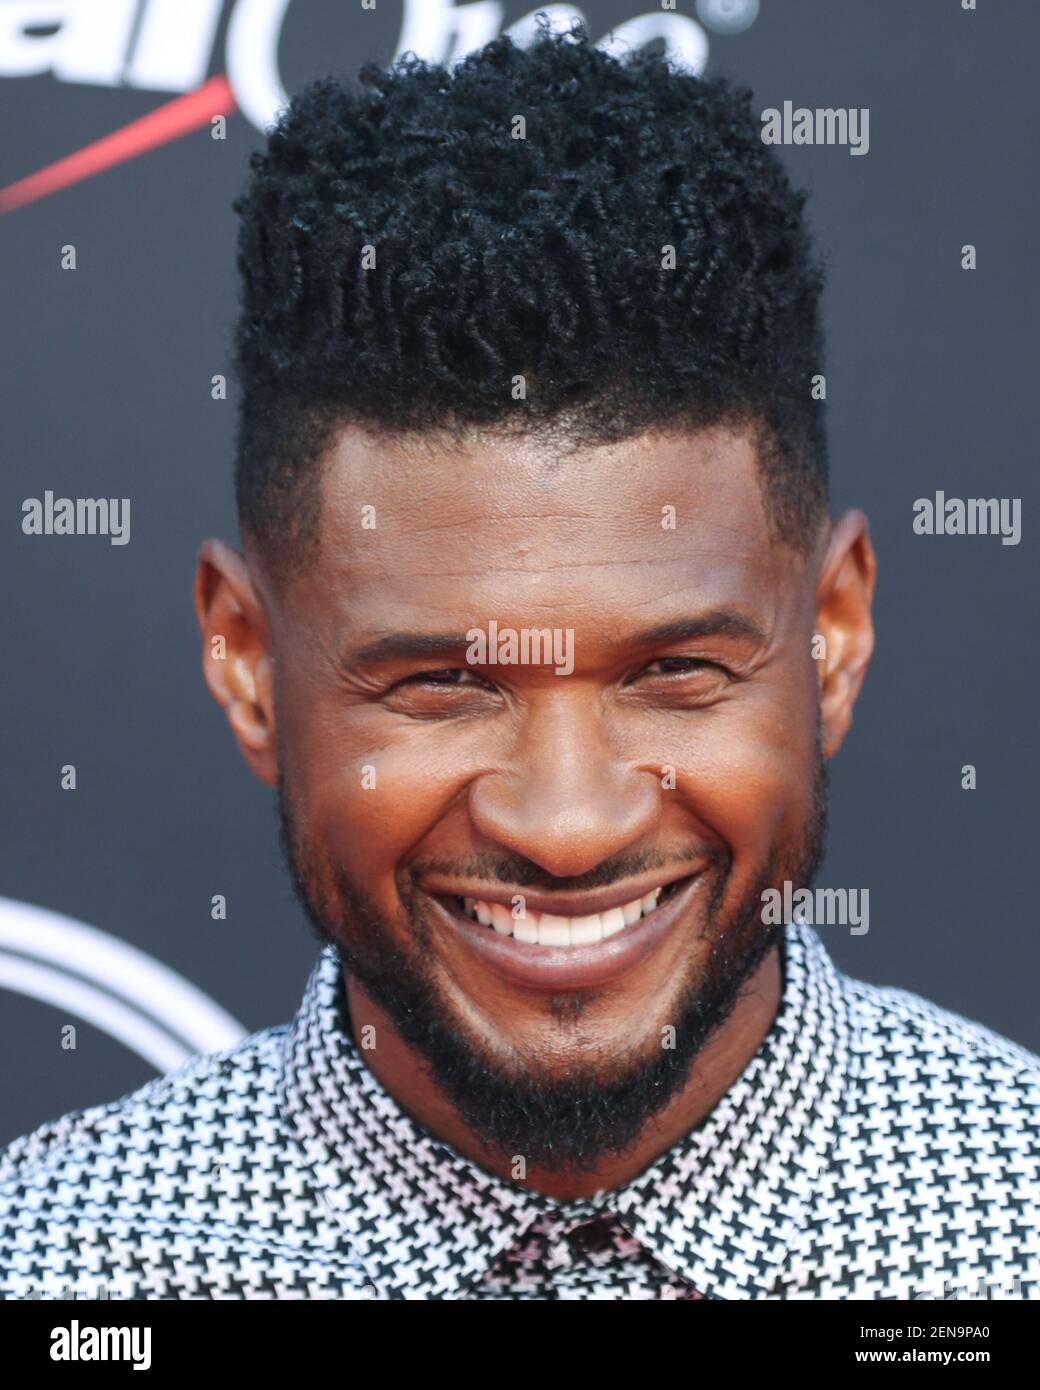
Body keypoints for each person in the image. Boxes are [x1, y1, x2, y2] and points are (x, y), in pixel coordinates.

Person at [2, 25, 1037, 1301]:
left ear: (831, 633)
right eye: (443, 684)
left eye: (672, 673)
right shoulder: (59, 1268)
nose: (563, 825)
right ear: (247, 660)